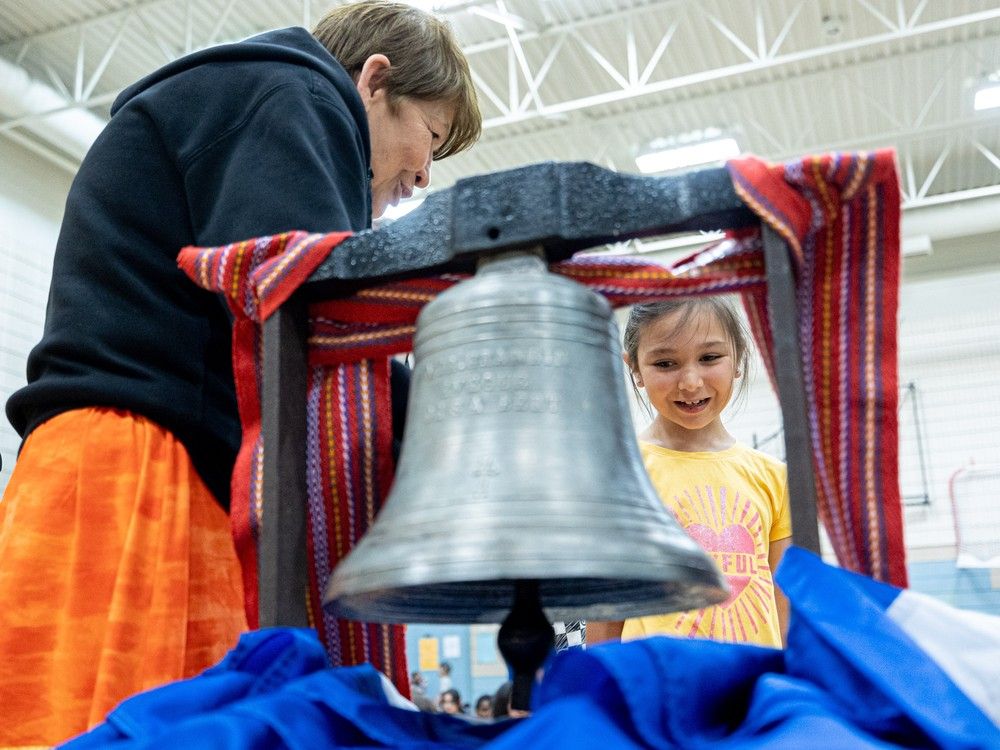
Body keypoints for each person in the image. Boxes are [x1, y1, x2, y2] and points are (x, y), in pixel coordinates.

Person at [0, 2, 480, 745]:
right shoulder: (297, 95)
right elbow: (311, 318)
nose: (422, 173)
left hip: (102, 460)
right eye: (433, 136)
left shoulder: (237, 101)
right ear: (375, 80)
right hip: (143, 469)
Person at [587, 297, 792, 649]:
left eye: (709, 358)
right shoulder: (620, 473)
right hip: (657, 680)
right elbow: (606, 613)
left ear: (739, 358)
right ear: (635, 368)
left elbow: (784, 608)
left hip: (753, 679)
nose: (691, 382)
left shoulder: (774, 478)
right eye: (665, 363)